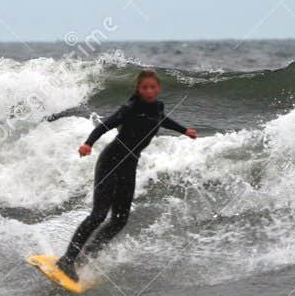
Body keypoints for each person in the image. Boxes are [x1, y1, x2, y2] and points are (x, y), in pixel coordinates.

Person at [57, 69, 196, 281]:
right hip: (110, 162)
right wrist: (88, 144)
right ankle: (67, 260)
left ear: (158, 88)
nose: (149, 91)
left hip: (129, 166)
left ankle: (87, 255)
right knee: (99, 215)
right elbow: (105, 126)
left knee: (120, 220)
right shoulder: (129, 108)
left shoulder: (157, 107)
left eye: (153, 87)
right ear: (138, 90)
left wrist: (184, 130)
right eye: (144, 88)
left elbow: (161, 119)